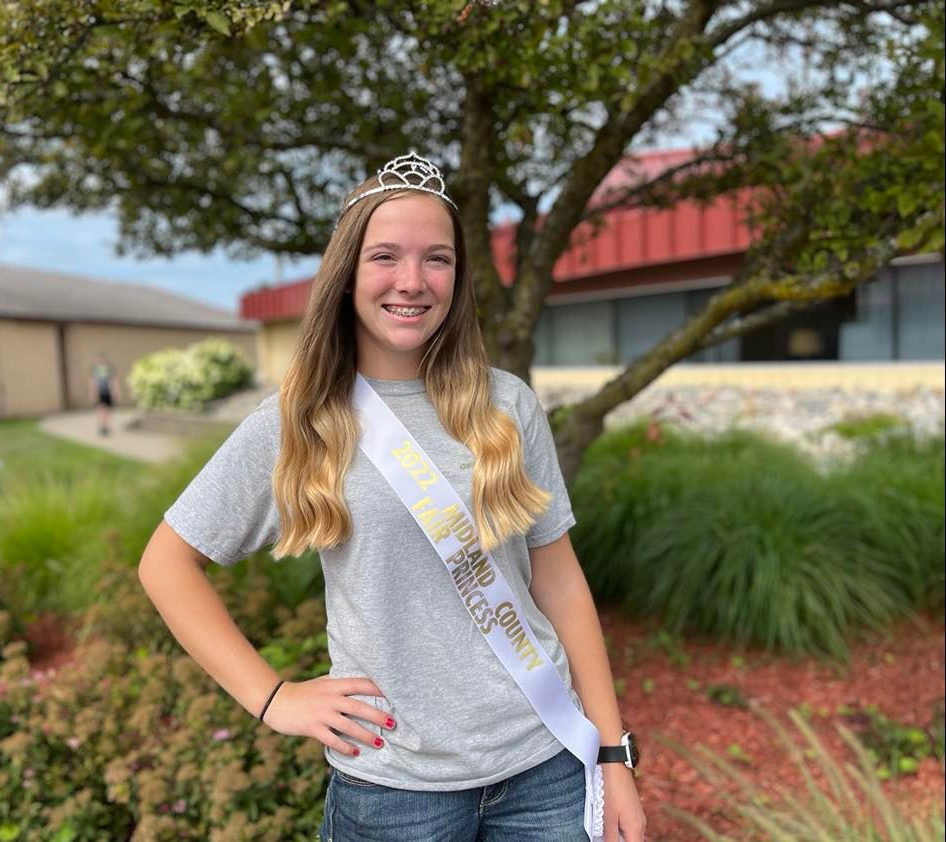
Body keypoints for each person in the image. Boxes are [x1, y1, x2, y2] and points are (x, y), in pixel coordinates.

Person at [138, 153, 646, 842]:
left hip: (545, 764)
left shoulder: (506, 404)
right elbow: (166, 564)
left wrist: (612, 754)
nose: (412, 281)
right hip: (396, 790)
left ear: (458, 279)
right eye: (385, 256)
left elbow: (557, 579)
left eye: (436, 259)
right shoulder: (299, 421)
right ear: (346, 273)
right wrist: (274, 697)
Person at [89, 353, 120, 436]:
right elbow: (92, 382)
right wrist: (92, 393)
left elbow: (114, 381)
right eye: (100, 359)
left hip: (108, 392)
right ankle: (102, 426)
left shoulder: (110, 370)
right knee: (100, 409)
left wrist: (116, 392)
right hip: (99, 392)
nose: (101, 361)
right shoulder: (95, 370)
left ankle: (107, 426)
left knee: (107, 410)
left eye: (103, 359)